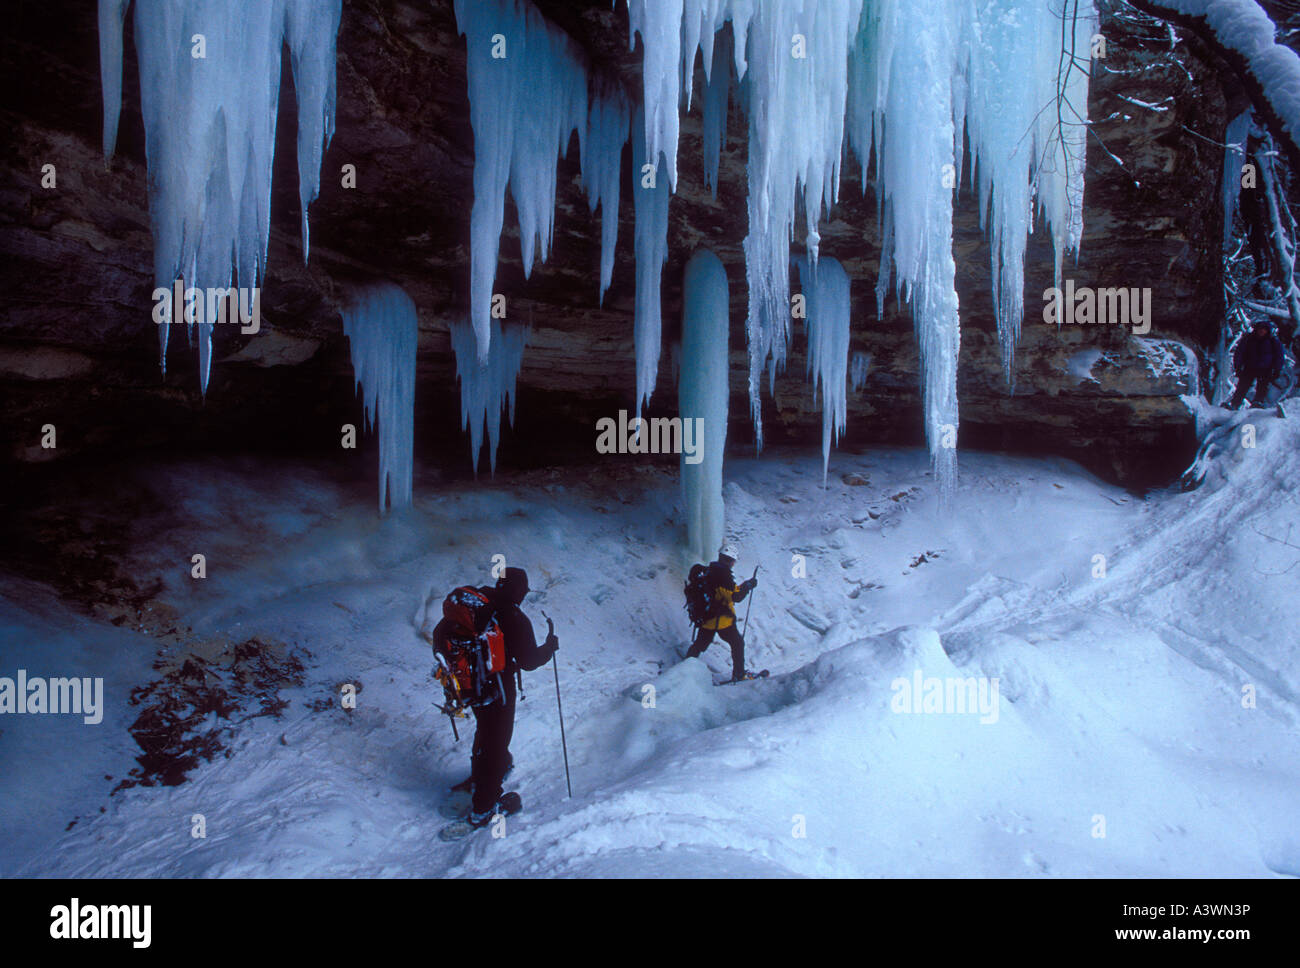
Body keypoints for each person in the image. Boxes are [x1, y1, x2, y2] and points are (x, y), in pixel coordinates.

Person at [431, 566, 557, 827]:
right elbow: (529, 661)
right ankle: (484, 808)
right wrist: (549, 647)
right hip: (498, 689)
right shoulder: (512, 616)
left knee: (486, 733)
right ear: (518, 590)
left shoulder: (474, 604)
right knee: (496, 742)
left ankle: (482, 774)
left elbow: (439, 635)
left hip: (469, 688)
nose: (523, 596)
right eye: (523, 591)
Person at [685, 543, 758, 682]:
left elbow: (729, 590)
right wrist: (748, 587)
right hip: (721, 620)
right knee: (737, 643)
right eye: (732, 561)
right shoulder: (723, 575)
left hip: (706, 618)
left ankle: (683, 672)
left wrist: (745, 584)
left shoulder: (710, 570)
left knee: (699, 645)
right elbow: (735, 596)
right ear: (731, 561)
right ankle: (739, 674)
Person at [1229, 319, 1285, 409]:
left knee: (1262, 389)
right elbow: (1239, 353)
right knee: (1242, 387)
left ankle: (1257, 404)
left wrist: (1277, 369)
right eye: (1260, 329)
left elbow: (1279, 356)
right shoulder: (1248, 339)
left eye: (1264, 329)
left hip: (1265, 369)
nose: (1262, 331)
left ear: (1268, 331)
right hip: (1249, 367)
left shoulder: (1273, 341)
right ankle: (1235, 404)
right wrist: (1238, 366)